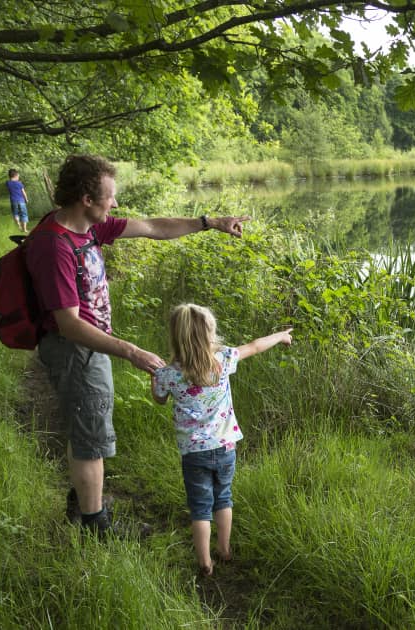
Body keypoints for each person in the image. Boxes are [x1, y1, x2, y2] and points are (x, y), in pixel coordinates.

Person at [26, 154, 250, 537]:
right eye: (109, 196)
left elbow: (153, 227)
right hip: (75, 351)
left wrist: (210, 223)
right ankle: (96, 525)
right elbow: (69, 324)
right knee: (91, 437)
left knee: (88, 428)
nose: (114, 203)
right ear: (86, 199)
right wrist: (130, 351)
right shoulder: (55, 246)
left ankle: (84, 501)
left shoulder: (89, 228)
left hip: (89, 350)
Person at [150, 304, 293, 576]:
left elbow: (159, 399)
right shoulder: (224, 359)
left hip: (194, 453)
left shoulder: (167, 373)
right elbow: (255, 346)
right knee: (223, 499)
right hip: (226, 447)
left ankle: (205, 562)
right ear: (209, 334)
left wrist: (154, 377)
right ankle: (224, 549)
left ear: (176, 336)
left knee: (200, 508)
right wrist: (281, 336)